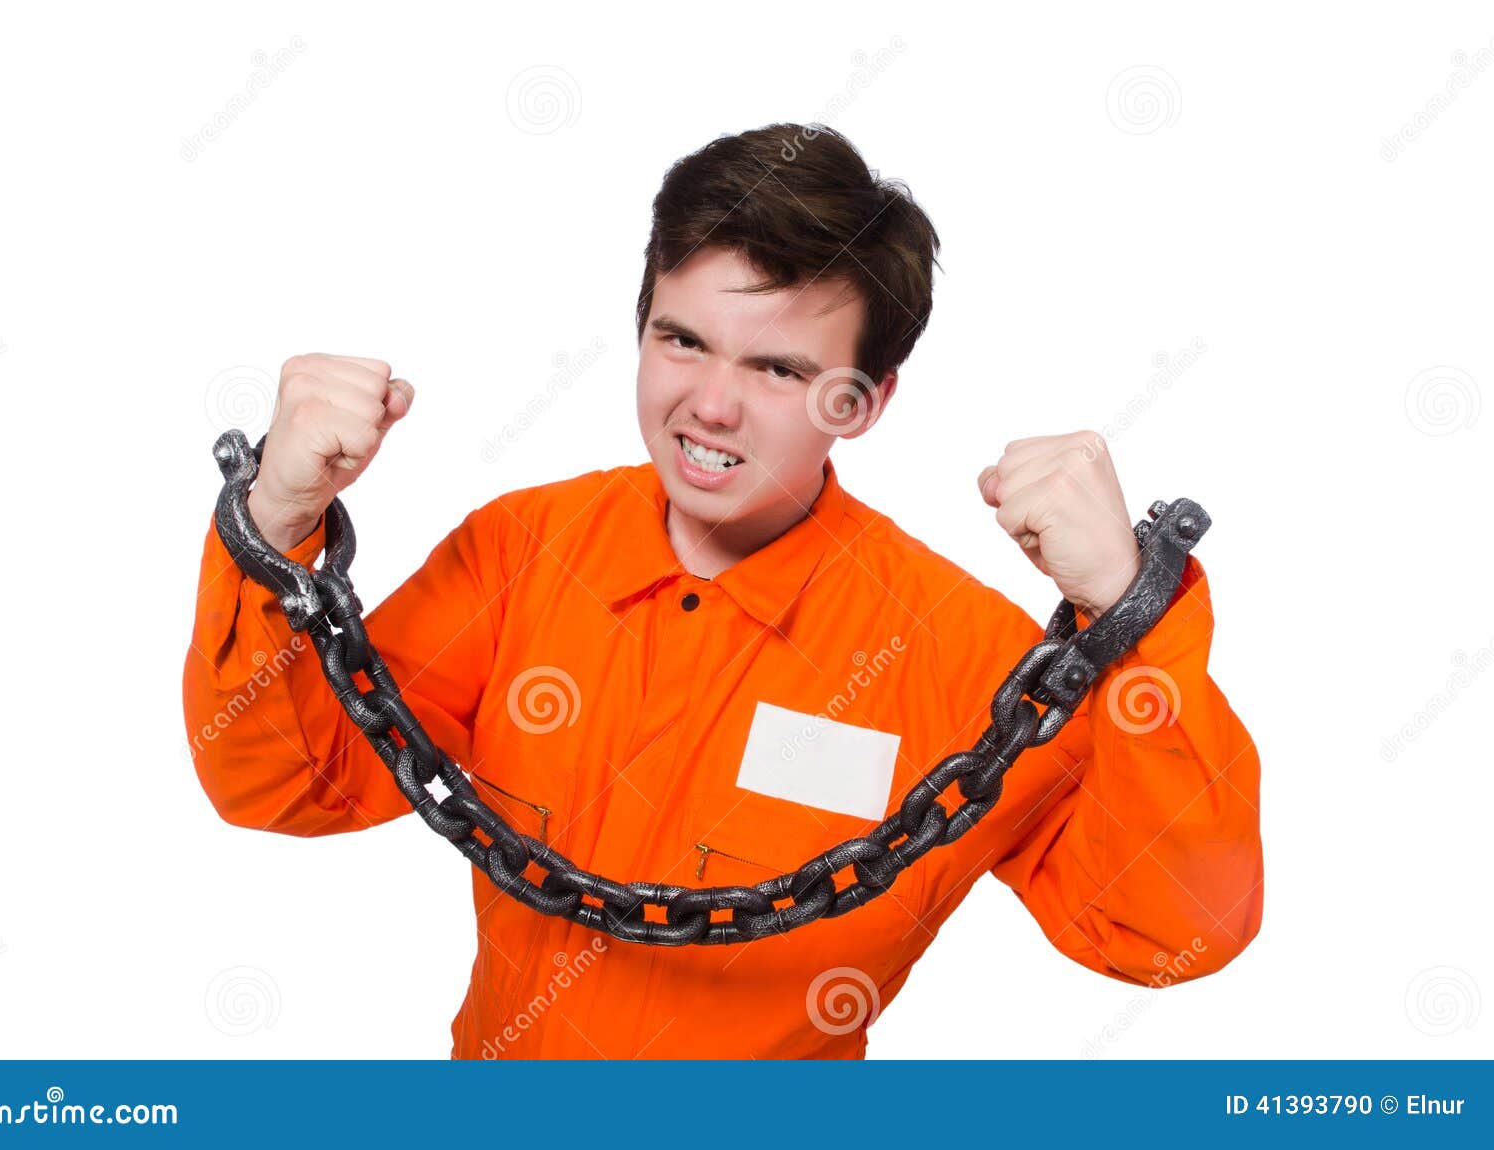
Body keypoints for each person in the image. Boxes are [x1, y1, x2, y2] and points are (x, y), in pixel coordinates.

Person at [182, 122, 1263, 1059]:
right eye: (682, 340)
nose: (709, 405)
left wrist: (1132, 611)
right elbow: (284, 783)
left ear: (864, 401)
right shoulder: (522, 554)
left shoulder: (961, 656)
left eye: (778, 369)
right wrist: (274, 524)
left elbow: (1169, 931)